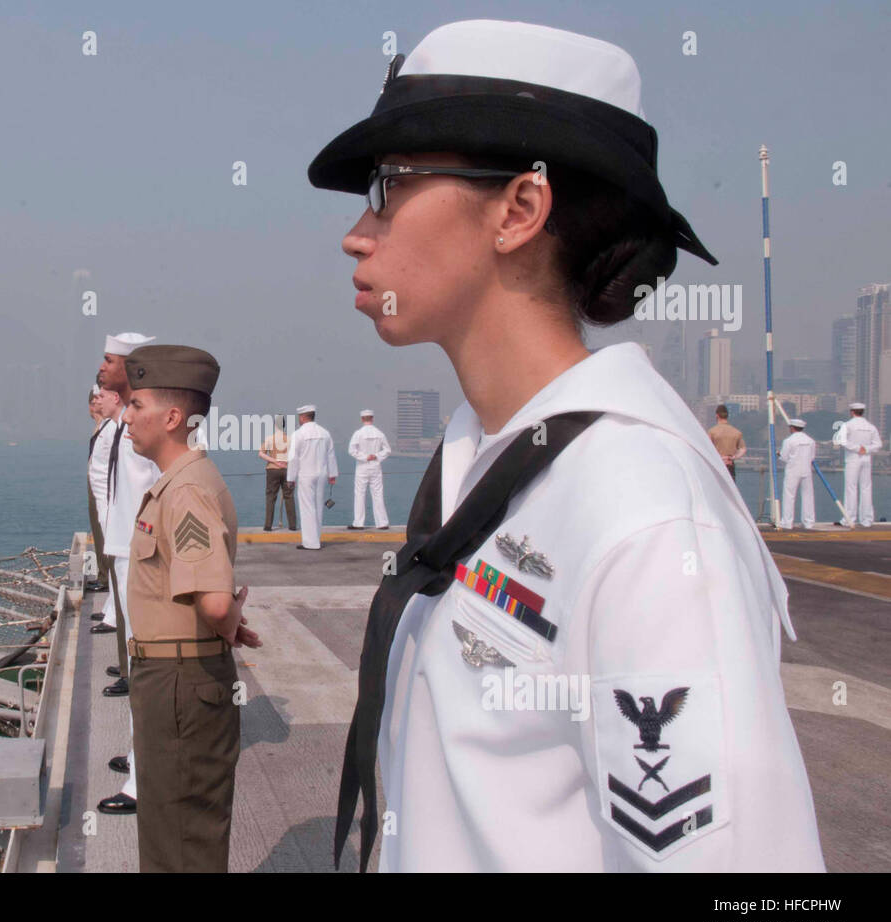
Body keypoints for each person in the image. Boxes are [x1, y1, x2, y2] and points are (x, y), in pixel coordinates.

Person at [309, 18, 824, 871]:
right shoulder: (483, 453)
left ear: (518, 209)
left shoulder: (644, 516)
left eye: (391, 186)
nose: (358, 232)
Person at [120, 344, 261, 871]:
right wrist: (225, 624)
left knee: (180, 836)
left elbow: (216, 600)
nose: (127, 417)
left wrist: (224, 624)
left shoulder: (186, 493)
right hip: (174, 674)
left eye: (137, 406)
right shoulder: (179, 486)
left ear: (173, 417)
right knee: (170, 829)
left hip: (178, 680)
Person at [95, 332, 161, 816]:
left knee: (147, 668)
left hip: (141, 555)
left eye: (109, 360)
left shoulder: (147, 421)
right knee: (139, 668)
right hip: (123, 551)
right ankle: (142, 759)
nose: (102, 367)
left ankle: (145, 782)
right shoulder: (123, 422)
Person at [285, 404, 338, 549]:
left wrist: (290, 478)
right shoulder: (325, 433)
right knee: (318, 506)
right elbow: (331, 454)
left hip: (306, 474)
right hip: (321, 474)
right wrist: (332, 474)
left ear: (302, 417)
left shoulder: (298, 434)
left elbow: (294, 458)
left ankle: (310, 542)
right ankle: (317, 539)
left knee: (307, 507)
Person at [87, 384, 117, 596]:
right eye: (93, 399)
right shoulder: (102, 427)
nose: (95, 402)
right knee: (99, 533)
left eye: (99, 397)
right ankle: (105, 575)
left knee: (107, 536)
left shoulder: (110, 428)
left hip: (105, 490)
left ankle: (106, 577)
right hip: (97, 488)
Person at [348, 409, 391, 529]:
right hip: (376, 465)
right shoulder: (379, 433)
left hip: (362, 466)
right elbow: (387, 450)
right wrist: (376, 456)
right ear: (372, 418)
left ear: (362, 419)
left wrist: (365, 457)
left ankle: (358, 523)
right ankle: (382, 523)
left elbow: (351, 450)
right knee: (378, 493)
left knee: (359, 494)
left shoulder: (358, 433)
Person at [841, 402, 882, 527]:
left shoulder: (847, 425)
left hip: (853, 458)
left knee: (851, 488)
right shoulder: (871, 427)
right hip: (866, 458)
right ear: (862, 412)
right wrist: (866, 449)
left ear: (852, 412)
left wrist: (857, 448)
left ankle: (849, 518)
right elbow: (878, 444)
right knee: (866, 488)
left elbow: (842, 441)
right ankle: (867, 519)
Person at [259, 413, 298, 531]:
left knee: (270, 496)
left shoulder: (270, 439)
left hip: (272, 470)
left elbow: (261, 453)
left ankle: (268, 525)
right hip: (287, 469)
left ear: (275, 425)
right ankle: (292, 525)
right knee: (289, 496)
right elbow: (295, 456)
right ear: (285, 425)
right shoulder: (291, 439)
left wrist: (275, 461)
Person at [777, 418, 816, 530]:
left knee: (789, 496)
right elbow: (812, 457)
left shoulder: (788, 441)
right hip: (806, 470)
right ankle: (809, 522)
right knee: (808, 496)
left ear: (792, 428)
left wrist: (778, 453)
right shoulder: (810, 441)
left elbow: (784, 458)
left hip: (793, 470)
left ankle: (787, 522)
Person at [707, 404, 747, 480]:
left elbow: (707, 449)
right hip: (730, 465)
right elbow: (743, 449)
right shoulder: (736, 432)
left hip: (717, 465)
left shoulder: (712, 432)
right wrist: (733, 457)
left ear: (717, 415)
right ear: (727, 416)